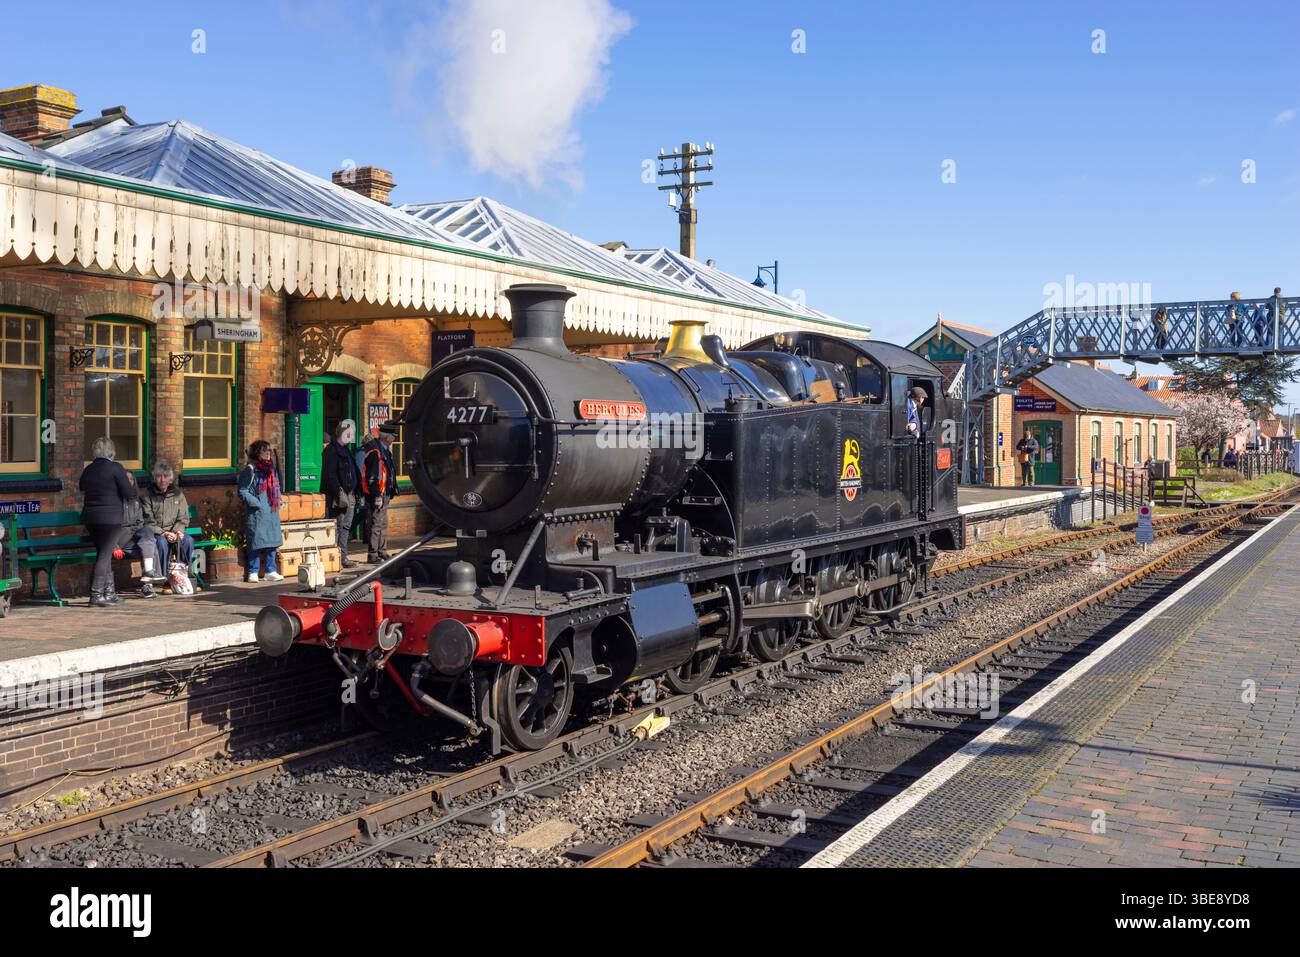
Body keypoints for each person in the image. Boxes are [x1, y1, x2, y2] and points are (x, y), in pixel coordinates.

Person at [78, 436, 137, 607]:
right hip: (111, 519)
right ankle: (96, 595)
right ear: (112, 452)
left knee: (103, 553)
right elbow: (129, 494)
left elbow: (82, 487)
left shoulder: (88, 469)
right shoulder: (116, 468)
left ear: (95, 452)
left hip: (90, 518)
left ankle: (109, 592)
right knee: (104, 556)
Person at [140, 461, 194, 588]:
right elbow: (148, 520)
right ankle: (164, 580)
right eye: (159, 476)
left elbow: (183, 517)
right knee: (161, 543)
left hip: (175, 532)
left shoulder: (178, 494)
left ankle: (184, 577)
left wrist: (177, 532)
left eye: (165, 476)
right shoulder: (147, 496)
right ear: (154, 478)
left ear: (170, 479)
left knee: (188, 541)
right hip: (158, 533)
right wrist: (163, 533)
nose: (162, 480)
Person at [238, 440, 284, 582]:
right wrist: (257, 504)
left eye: (269, 451)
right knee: (256, 542)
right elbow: (243, 491)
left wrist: (279, 499)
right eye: (265, 451)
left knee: (271, 541)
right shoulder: (250, 470)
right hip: (257, 512)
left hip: (271, 509)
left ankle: (271, 570)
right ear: (258, 453)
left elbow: (276, 487)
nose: (269, 453)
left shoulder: (271, 469)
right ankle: (253, 571)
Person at [322, 419, 360, 569]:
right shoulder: (331, 450)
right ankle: (335, 558)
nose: (352, 436)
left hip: (349, 493)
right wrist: (339, 491)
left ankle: (343, 556)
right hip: (338, 495)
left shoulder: (347, 450)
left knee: (346, 526)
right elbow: (330, 475)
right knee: (337, 526)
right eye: (349, 433)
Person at [361, 421, 401, 563]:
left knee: (383, 523)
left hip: (386, 492)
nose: (394, 439)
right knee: (377, 523)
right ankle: (373, 554)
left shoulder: (384, 451)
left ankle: (382, 551)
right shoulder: (375, 452)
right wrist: (377, 495)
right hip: (379, 493)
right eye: (393, 436)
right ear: (386, 437)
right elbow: (372, 476)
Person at [115, 495, 164, 598]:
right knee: (150, 546)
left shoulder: (135, 501)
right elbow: (109, 527)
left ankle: (148, 575)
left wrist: (134, 530)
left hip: (133, 536)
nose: (129, 484)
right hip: (119, 540)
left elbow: (140, 522)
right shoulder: (113, 500)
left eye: (132, 481)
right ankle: (148, 582)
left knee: (148, 535)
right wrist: (113, 545)